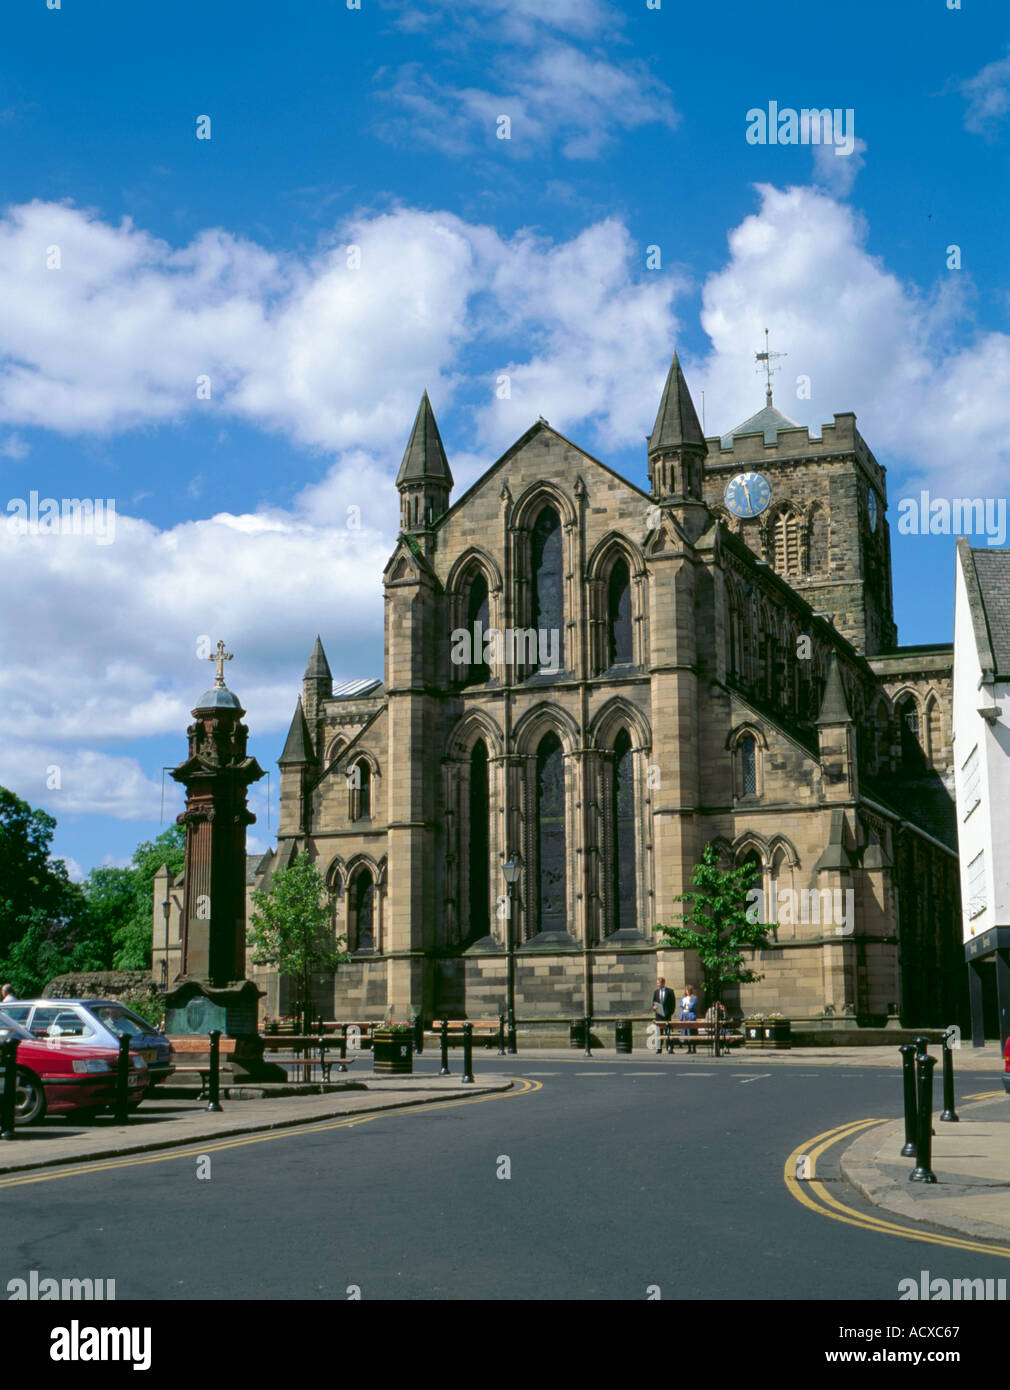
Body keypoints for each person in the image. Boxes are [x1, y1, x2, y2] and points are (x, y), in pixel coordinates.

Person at [651, 977, 675, 1053]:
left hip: (667, 1016)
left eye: (659, 983)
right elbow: (653, 1002)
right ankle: (659, 1049)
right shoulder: (656, 992)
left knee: (668, 1033)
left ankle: (669, 1048)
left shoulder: (670, 991)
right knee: (659, 1032)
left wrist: (670, 1013)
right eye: (657, 983)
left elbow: (673, 1004)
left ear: (663, 983)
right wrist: (654, 1007)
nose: (658, 985)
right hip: (658, 1016)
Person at [679, 985, 698, 1054]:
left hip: (690, 1016)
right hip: (684, 1016)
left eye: (689, 990)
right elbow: (680, 1004)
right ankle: (689, 1048)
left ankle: (694, 1048)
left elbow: (691, 1006)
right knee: (686, 1032)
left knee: (692, 1032)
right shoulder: (684, 998)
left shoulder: (694, 998)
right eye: (686, 990)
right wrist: (685, 1004)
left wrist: (686, 1004)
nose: (688, 991)